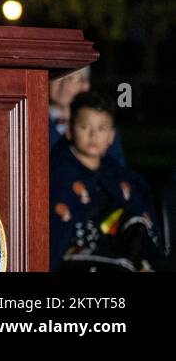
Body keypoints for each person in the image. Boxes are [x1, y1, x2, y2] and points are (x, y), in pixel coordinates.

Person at [49, 91, 159, 271]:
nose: (93, 135)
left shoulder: (121, 177)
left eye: (102, 129)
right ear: (70, 130)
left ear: (111, 136)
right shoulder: (57, 173)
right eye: (85, 127)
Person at [48, 66, 124, 164]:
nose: (64, 84)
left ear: (85, 85)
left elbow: (117, 166)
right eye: (57, 77)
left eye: (72, 78)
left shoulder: (104, 124)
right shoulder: (30, 121)